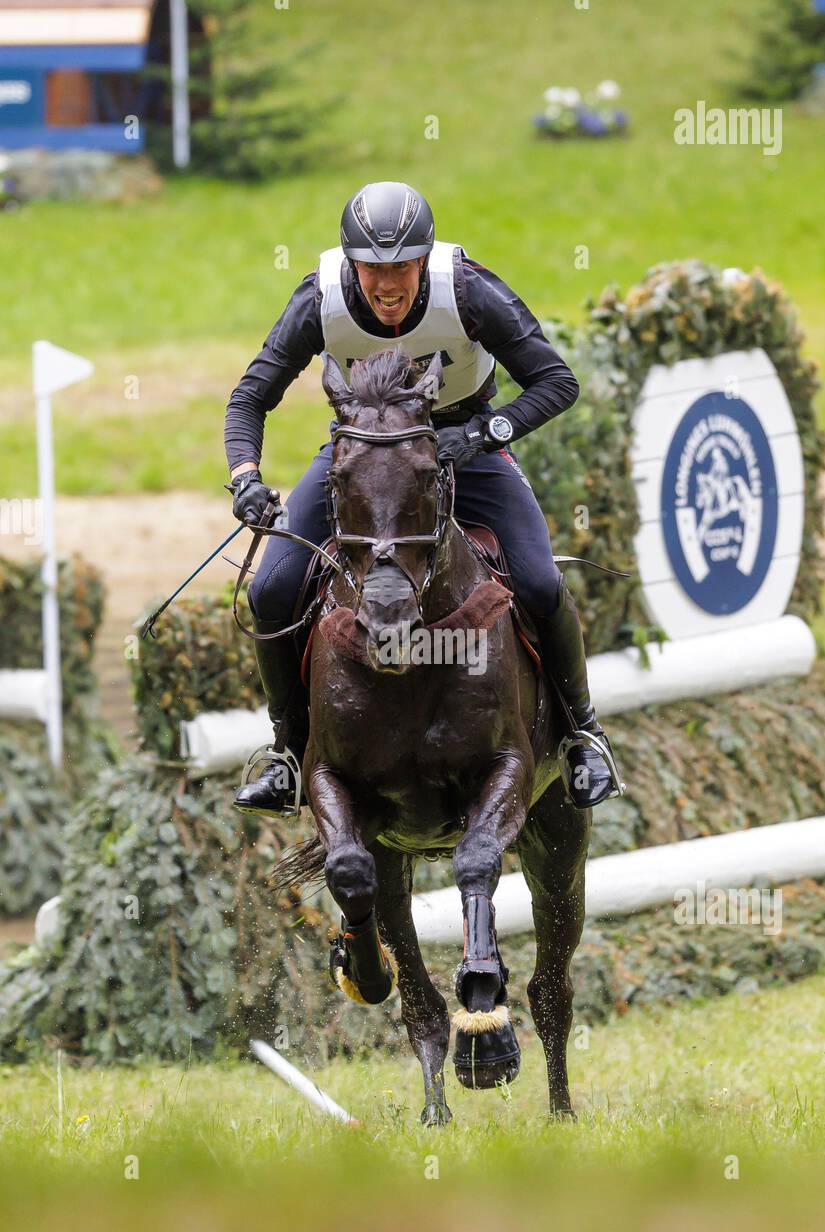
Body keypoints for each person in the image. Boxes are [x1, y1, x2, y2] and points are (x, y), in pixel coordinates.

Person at [224, 180, 621, 817]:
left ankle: (583, 735)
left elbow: (556, 381)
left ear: (424, 259)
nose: (388, 285)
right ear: (352, 263)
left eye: (402, 266)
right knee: (270, 589)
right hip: (364, 454)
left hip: (466, 444)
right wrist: (245, 477)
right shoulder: (318, 300)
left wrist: (483, 434)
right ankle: (288, 754)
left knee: (542, 583)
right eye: (374, 268)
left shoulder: (468, 290)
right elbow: (250, 397)